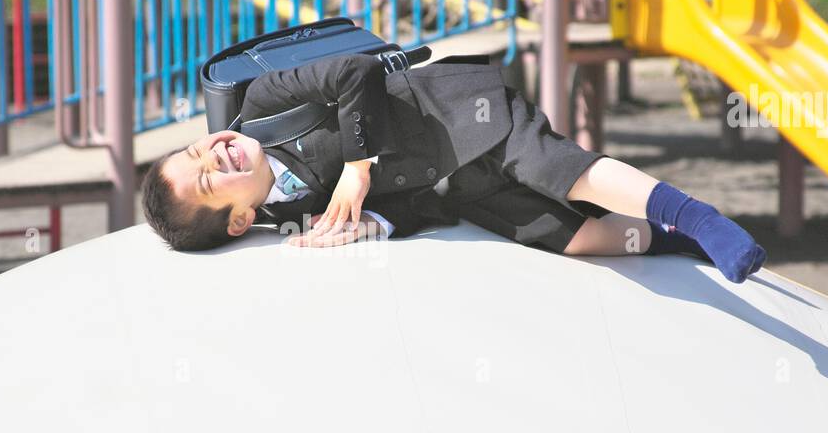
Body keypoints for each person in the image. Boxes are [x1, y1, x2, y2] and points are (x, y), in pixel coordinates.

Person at [141, 52, 766, 283]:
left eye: (197, 149)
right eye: (207, 179)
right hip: (452, 186)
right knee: (578, 241)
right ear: (237, 219)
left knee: (559, 169)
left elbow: (354, 73)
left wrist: (357, 166)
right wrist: (373, 227)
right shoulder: (290, 218)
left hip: (456, 114)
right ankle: (676, 241)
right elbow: (401, 210)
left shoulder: (260, 105)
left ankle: (699, 216)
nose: (212, 152)